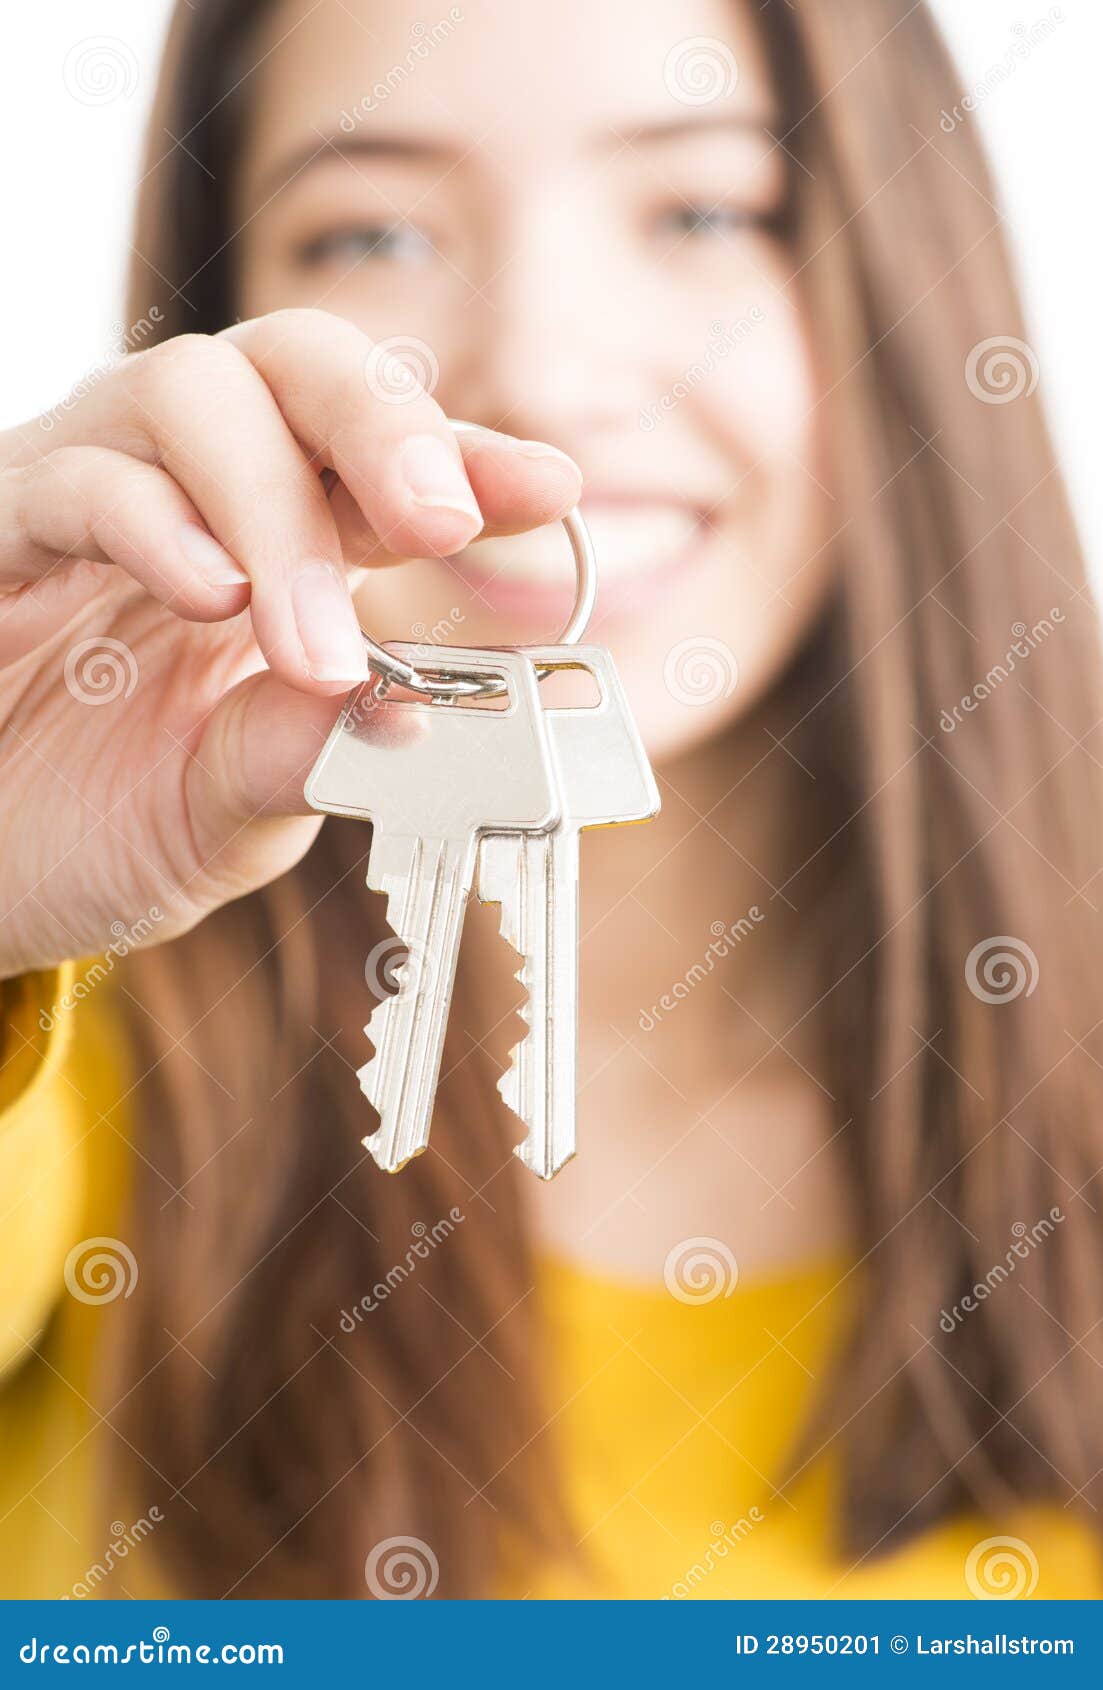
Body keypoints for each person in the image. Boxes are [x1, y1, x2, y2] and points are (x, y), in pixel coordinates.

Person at [1, 0, 1100, 1601]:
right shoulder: (56, 1043)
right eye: (371, 230)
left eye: (703, 211)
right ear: (222, 321)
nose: (541, 376)